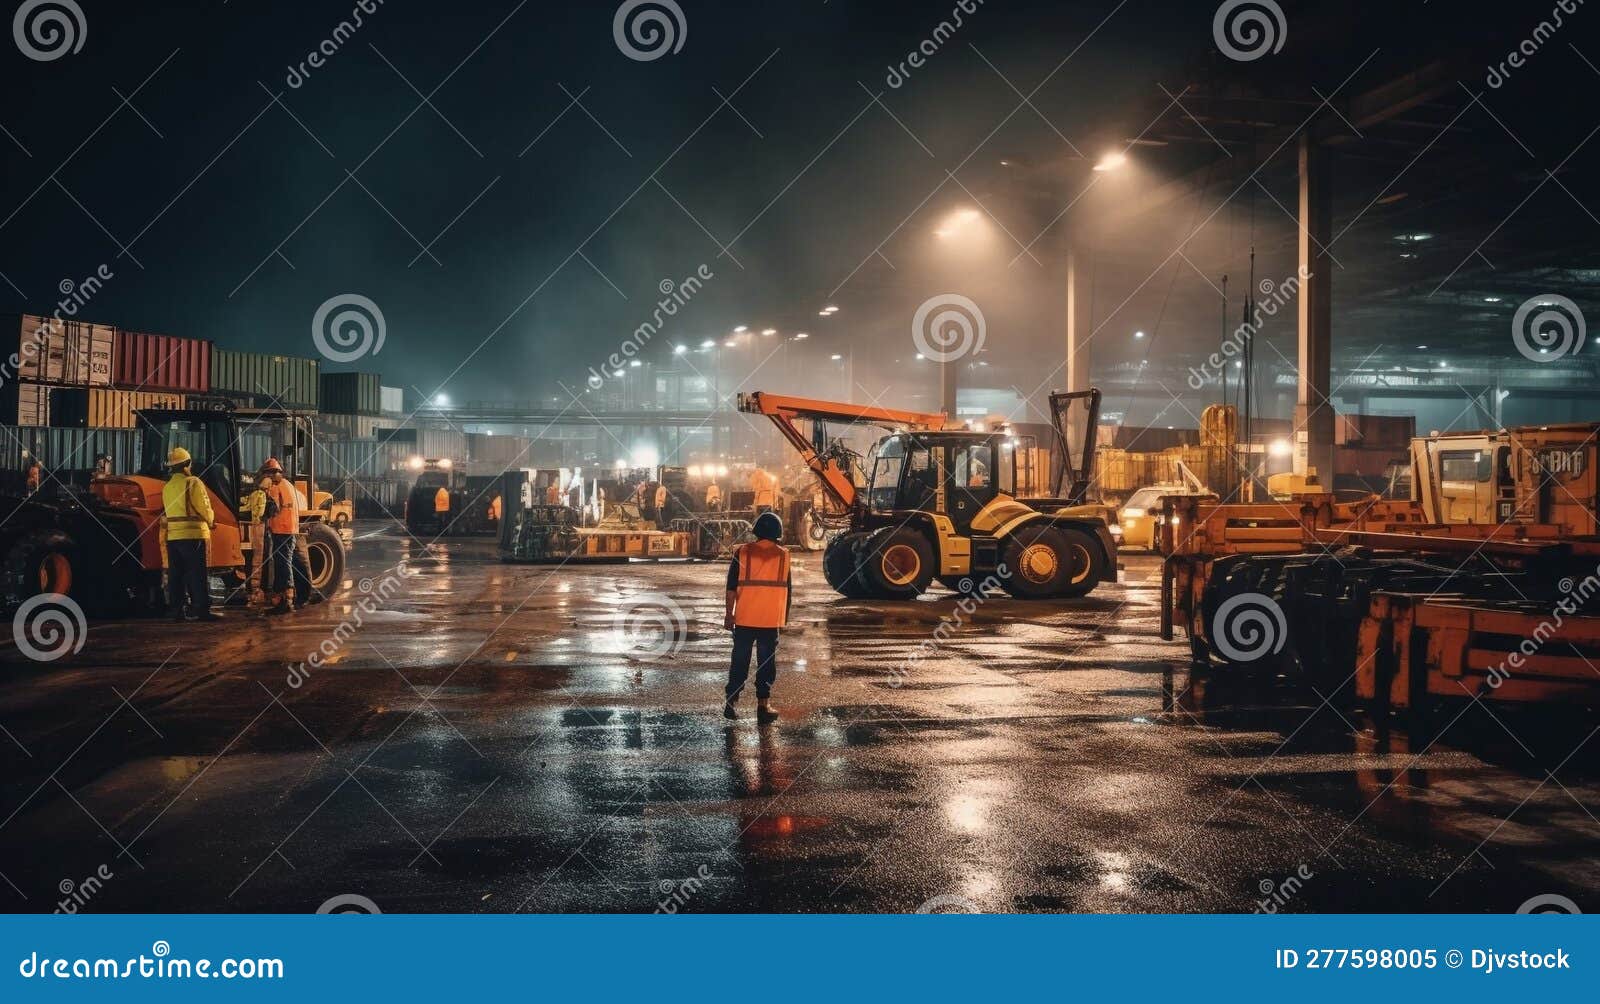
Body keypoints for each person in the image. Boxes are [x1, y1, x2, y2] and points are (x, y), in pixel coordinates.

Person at [723, 511, 791, 723]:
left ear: (756, 531)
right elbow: (788, 591)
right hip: (770, 620)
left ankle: (731, 702)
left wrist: (729, 614)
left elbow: (731, 588)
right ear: (778, 533)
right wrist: (784, 619)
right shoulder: (783, 555)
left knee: (740, 660)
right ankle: (763, 705)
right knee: (766, 663)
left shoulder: (742, 552)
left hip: (745, 617)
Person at [162, 446, 220, 622]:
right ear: (187, 464)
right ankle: (200, 609)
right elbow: (203, 506)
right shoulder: (192, 482)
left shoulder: (167, 486)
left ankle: (176, 611)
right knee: (196, 573)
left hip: (173, 537)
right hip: (193, 535)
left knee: (176, 574)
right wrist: (211, 521)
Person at [262, 457, 302, 615]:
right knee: (286, 562)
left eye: (267, 475)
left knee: (282, 564)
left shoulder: (275, 487)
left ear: (272, 474)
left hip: (281, 530)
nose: (267, 478)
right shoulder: (288, 485)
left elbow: (272, 510)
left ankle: (286, 599)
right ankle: (288, 597)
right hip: (290, 529)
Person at [242, 469, 269, 603]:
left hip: (255, 526)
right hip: (259, 527)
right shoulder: (261, 495)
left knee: (254, 558)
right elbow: (259, 511)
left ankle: (253, 589)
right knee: (258, 558)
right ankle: (256, 589)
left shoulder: (254, 494)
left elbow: (246, 506)